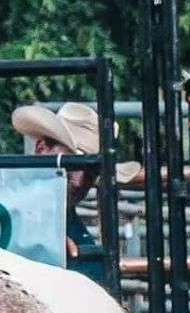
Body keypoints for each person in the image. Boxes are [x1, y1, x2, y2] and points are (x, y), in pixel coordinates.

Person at [10, 100, 145, 262]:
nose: (80, 182)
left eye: (91, 173)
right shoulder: (1, 197)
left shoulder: (80, 239)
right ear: (41, 149)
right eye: (72, 165)